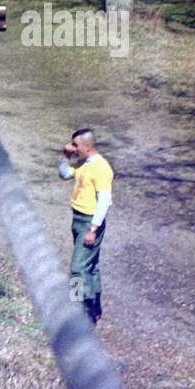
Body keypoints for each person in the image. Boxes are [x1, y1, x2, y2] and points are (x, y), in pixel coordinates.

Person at [58, 129, 114, 324]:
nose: (73, 148)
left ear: (88, 146)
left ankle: (80, 309)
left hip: (90, 222)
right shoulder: (82, 162)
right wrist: (65, 157)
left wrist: (93, 229)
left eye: (76, 145)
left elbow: (105, 201)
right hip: (78, 219)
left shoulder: (101, 167)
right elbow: (64, 174)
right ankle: (95, 308)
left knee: (77, 267)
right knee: (91, 265)